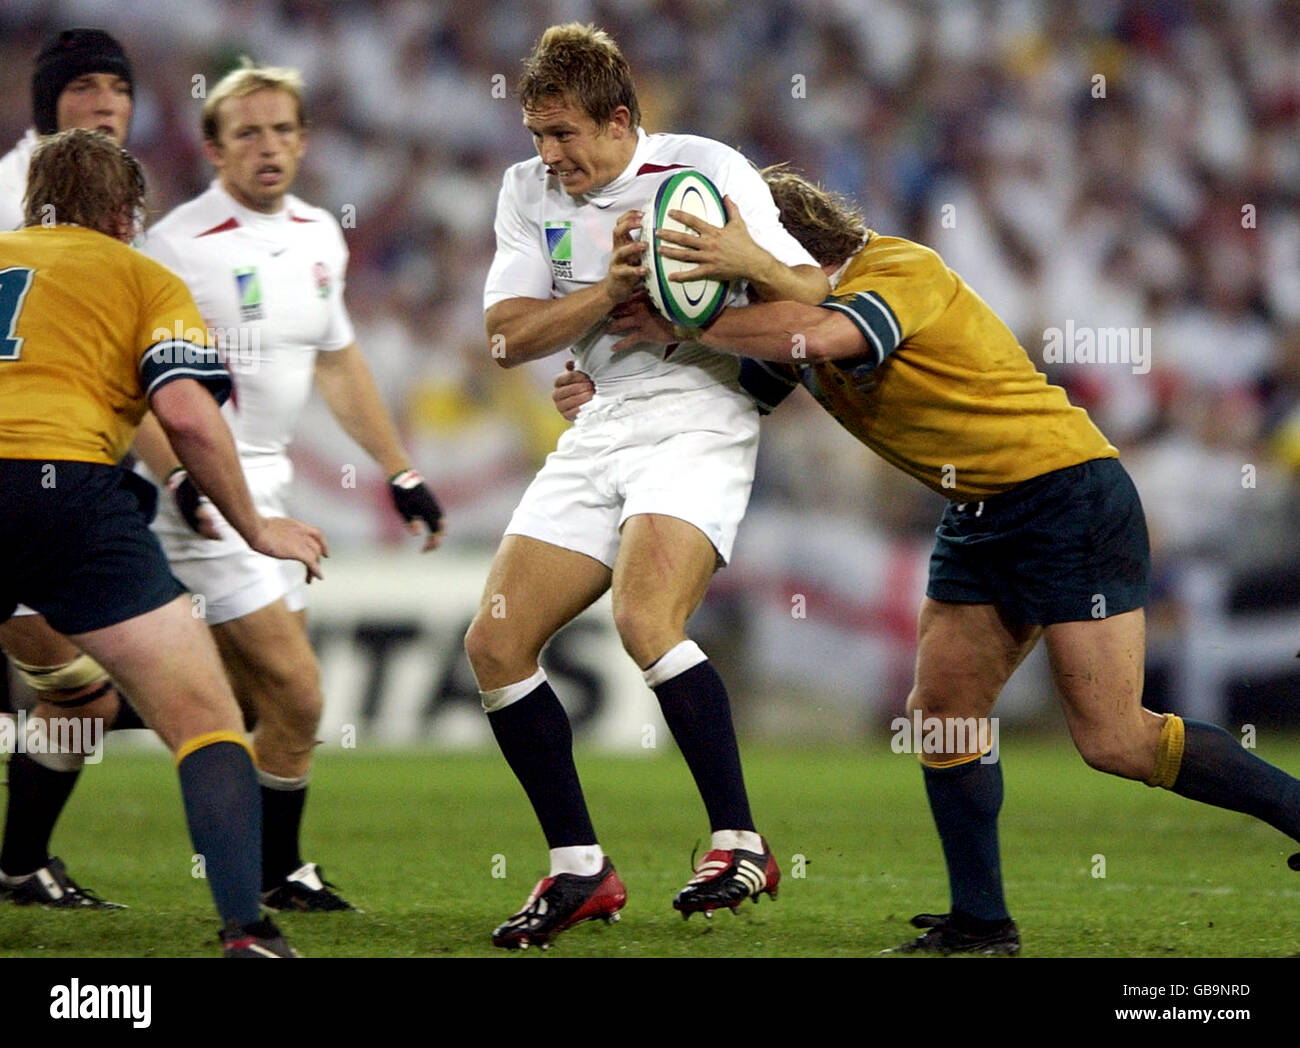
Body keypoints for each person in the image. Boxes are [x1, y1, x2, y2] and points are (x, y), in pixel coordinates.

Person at [554, 165, 1300, 955]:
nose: (728, 296)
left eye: (736, 270)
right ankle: (981, 923)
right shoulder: (788, 316)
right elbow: (730, 396)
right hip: (981, 513)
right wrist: (614, 402)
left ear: (780, 248)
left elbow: (835, 336)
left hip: (1067, 493)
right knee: (941, 716)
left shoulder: (899, 267)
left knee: (1115, 739)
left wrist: (693, 324)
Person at [465, 23, 828, 950]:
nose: (549, 156)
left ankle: (740, 840)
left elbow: (806, 293)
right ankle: (579, 867)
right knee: (496, 644)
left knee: (644, 620)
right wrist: (607, 292)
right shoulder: (523, 192)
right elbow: (507, 336)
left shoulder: (702, 171)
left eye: (564, 136)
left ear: (620, 120)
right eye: (537, 135)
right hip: (597, 423)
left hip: (701, 410)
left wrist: (730, 264)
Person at [0, 127, 327, 955]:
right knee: (207, 719)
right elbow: (185, 414)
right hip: (65, 494)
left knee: (74, 694)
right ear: (125, 212)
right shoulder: (144, 273)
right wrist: (255, 524)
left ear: (39, 197)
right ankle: (245, 930)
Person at [132, 60, 444, 913]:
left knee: (254, 700)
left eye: (281, 131)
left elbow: (338, 361)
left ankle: (87, 708)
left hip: (269, 487)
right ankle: (275, 874)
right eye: (248, 133)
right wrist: (182, 479)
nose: (268, 147)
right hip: (200, 493)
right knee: (301, 692)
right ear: (212, 149)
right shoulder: (174, 246)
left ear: (304, 141)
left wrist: (400, 470)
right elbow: (136, 389)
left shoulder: (318, 234)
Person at [0, 27, 147, 911]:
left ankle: (21, 868)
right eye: (84, 87)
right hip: (21, 479)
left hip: (52, 482)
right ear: (46, 102)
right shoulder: (13, 192)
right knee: (82, 695)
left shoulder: (126, 194)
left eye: (117, 89)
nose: (104, 103)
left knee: (81, 696)